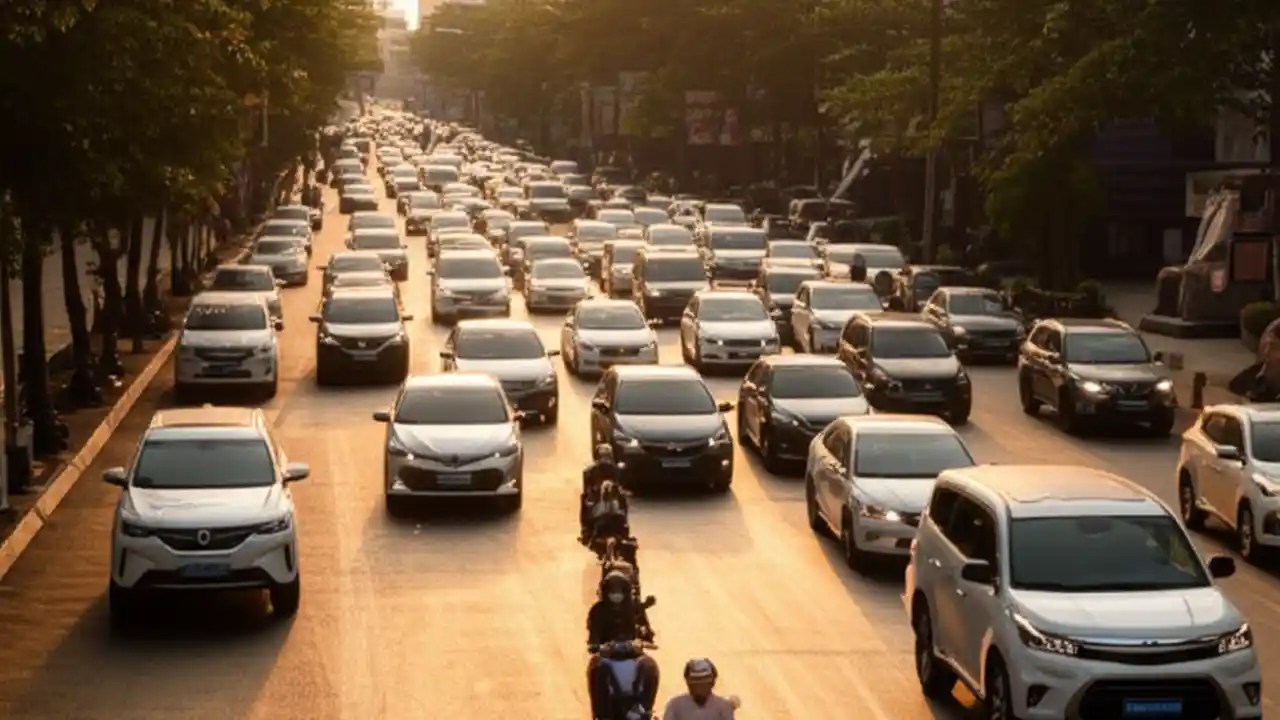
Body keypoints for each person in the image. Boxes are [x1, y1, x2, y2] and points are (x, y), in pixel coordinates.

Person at [587, 572, 659, 719]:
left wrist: (644, 640)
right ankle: (602, 714)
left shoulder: (635, 608)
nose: (616, 595)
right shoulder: (597, 611)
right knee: (597, 669)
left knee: (650, 667)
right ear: (605, 592)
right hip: (607, 656)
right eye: (613, 592)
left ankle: (645, 708)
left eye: (620, 591)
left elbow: (646, 631)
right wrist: (597, 646)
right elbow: (593, 635)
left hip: (634, 654)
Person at [662, 659, 736, 720]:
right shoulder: (675, 706)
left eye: (703, 681)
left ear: (712, 682)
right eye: (695, 681)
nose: (699, 687)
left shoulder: (724, 707)